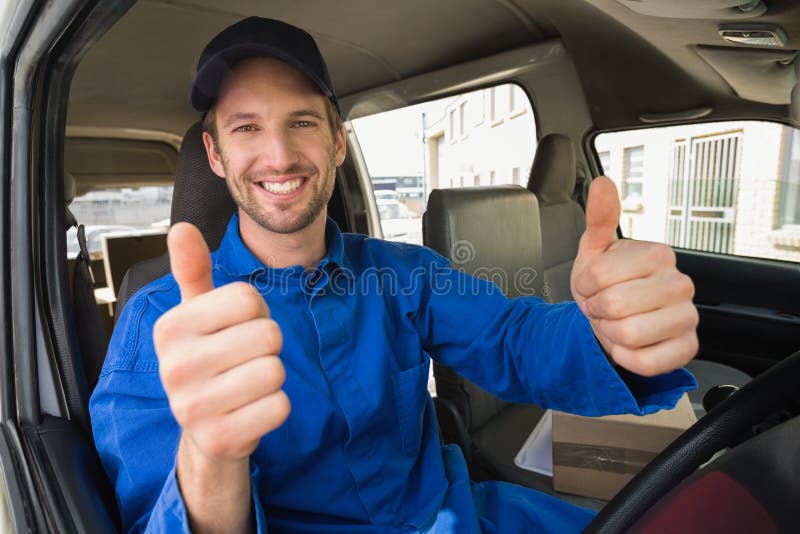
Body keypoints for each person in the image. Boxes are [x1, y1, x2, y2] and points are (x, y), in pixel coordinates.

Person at [90, 16, 698, 534]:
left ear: (336, 143)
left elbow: (516, 339)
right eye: (247, 127)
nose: (278, 155)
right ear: (217, 154)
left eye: (302, 121)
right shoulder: (160, 324)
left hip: (459, 517)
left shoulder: (404, 274)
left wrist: (610, 334)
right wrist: (209, 451)